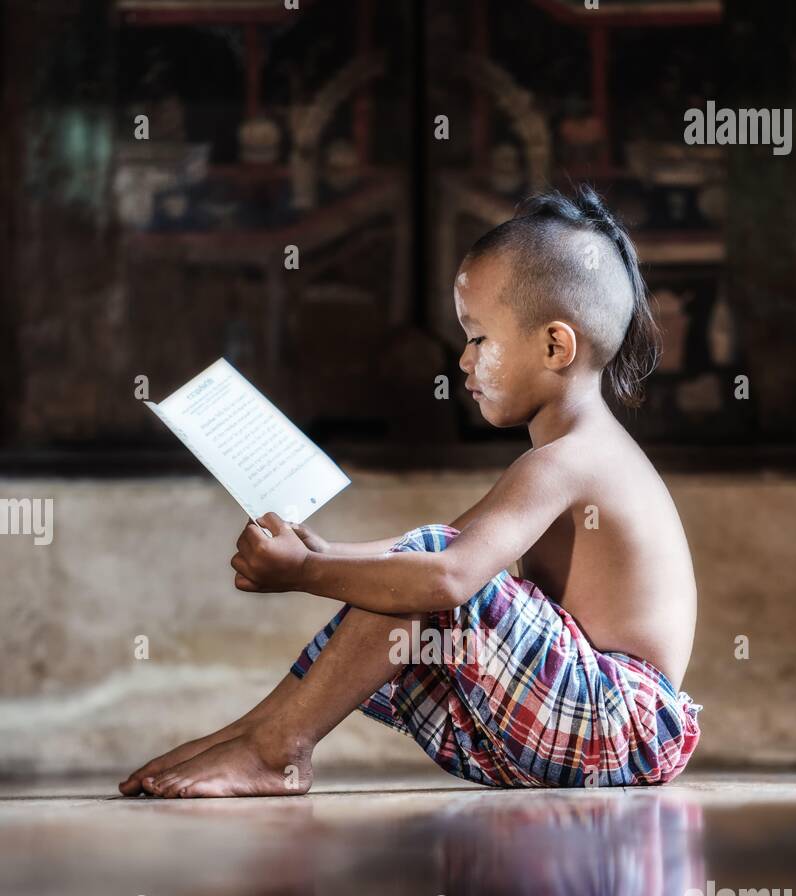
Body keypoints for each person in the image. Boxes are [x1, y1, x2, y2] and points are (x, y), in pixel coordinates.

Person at [120, 184, 701, 798]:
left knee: (430, 571)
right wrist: (323, 550)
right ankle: (256, 733)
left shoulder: (567, 461)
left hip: (622, 723)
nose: (463, 362)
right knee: (417, 573)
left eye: (479, 339)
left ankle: (277, 746)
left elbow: (446, 575)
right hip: (583, 725)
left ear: (555, 346)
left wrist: (306, 573)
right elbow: (433, 563)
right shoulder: (566, 455)